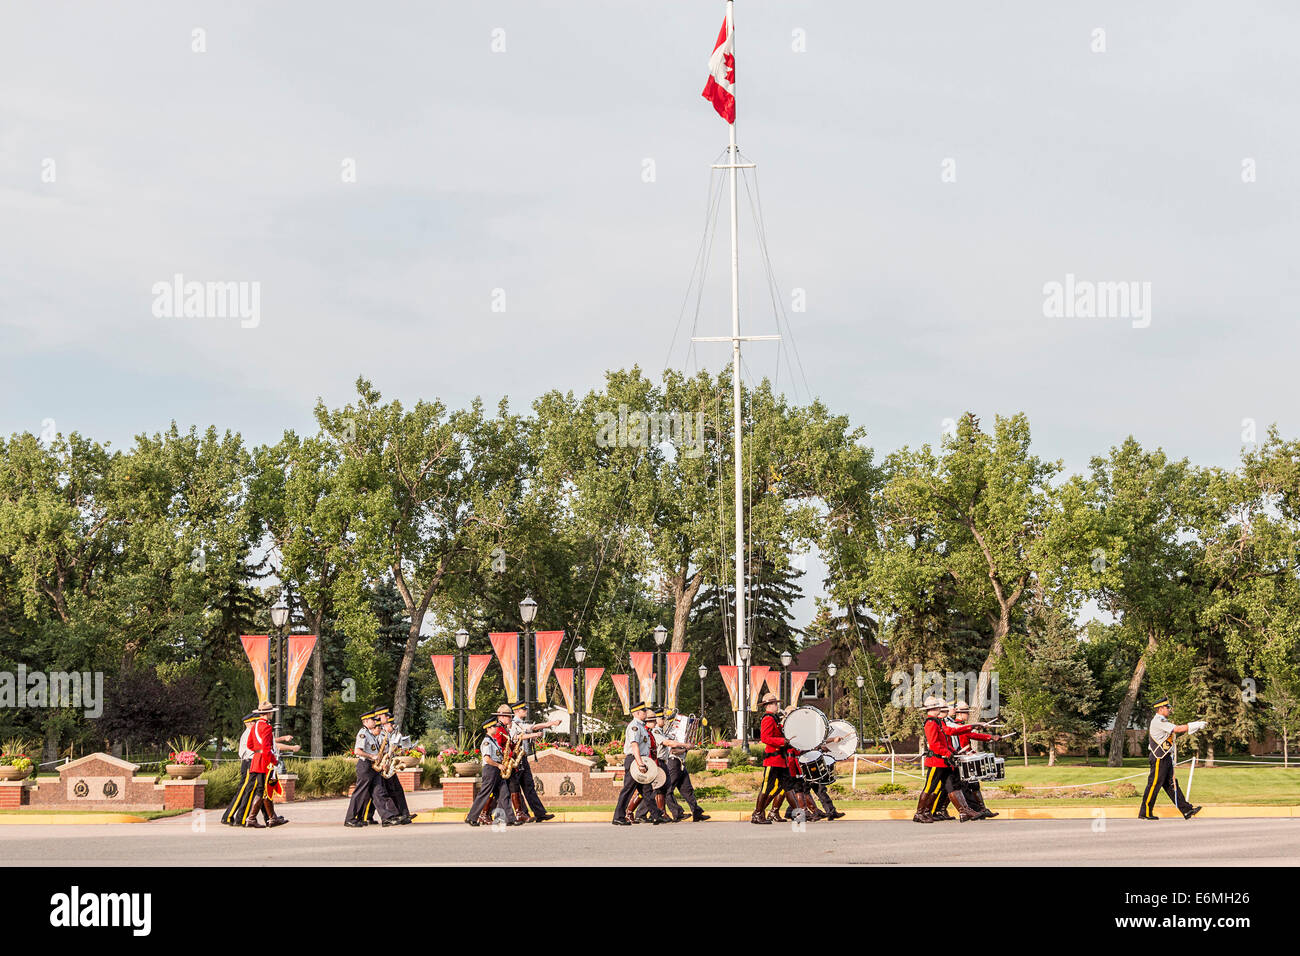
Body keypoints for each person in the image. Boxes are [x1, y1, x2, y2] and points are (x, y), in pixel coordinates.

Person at [915, 697, 984, 823]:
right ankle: (919, 813)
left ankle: (964, 811)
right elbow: (935, 744)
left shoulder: (938, 722)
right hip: (936, 761)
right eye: (938, 708)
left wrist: (970, 727)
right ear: (933, 709)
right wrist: (948, 753)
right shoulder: (930, 723)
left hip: (943, 762)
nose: (940, 710)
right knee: (929, 788)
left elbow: (951, 731)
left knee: (952, 785)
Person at [932, 701, 1002, 821]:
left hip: (955, 756)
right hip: (947, 758)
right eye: (964, 712)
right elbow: (961, 733)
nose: (966, 715)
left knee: (954, 786)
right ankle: (930, 812)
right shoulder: (944, 723)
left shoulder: (948, 722)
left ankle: (972, 810)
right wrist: (979, 729)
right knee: (945, 787)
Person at [1139, 696, 1204, 821]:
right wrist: (1195, 724)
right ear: (1161, 709)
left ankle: (1186, 810)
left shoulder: (1163, 720)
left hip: (1165, 757)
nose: (1169, 710)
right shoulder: (1158, 721)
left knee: (1172, 785)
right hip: (1159, 758)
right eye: (1167, 708)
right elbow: (1177, 729)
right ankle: (1145, 812)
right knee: (1154, 785)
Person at [465, 708, 521, 827]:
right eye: (494, 727)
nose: (496, 728)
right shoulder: (487, 742)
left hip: (497, 770)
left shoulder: (494, 740)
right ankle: (471, 817)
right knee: (484, 794)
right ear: (489, 728)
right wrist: (499, 765)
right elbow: (487, 759)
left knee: (504, 793)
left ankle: (510, 818)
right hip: (490, 770)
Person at [344, 709, 399, 828]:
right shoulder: (362, 733)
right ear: (365, 722)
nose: (375, 722)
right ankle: (350, 818)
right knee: (360, 793)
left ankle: (387, 817)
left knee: (379, 791)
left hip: (373, 766)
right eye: (373, 720)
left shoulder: (370, 733)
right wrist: (371, 756)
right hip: (365, 765)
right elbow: (357, 751)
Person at [507, 701, 560, 823]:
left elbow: (533, 727)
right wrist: (535, 733)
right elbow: (515, 737)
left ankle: (540, 813)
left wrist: (549, 724)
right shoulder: (513, 723)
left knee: (529, 785)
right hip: (516, 758)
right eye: (523, 709)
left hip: (523, 757)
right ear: (516, 711)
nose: (525, 711)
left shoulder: (521, 723)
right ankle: (523, 813)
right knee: (516, 788)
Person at [613, 702, 663, 826]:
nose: (646, 713)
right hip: (635, 761)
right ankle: (618, 817)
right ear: (637, 713)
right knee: (628, 789)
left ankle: (656, 815)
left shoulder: (641, 726)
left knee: (646, 790)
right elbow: (634, 745)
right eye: (644, 711)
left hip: (642, 760)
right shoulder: (634, 726)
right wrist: (640, 764)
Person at [656, 710, 709, 822]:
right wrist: (686, 747)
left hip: (680, 763)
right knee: (669, 789)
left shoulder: (671, 733)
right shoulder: (666, 734)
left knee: (687, 789)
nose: (665, 721)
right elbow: (673, 750)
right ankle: (677, 813)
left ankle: (696, 812)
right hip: (673, 762)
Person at [753, 693, 792, 824]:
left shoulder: (774, 718)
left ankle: (765, 812)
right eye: (775, 704)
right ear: (769, 705)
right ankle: (758, 814)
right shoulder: (768, 719)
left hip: (779, 760)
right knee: (766, 787)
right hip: (772, 759)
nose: (777, 706)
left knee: (781, 786)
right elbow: (765, 738)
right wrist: (782, 741)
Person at [238, 701, 279, 829]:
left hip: (256, 759)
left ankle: (272, 818)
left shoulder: (255, 726)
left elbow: (250, 745)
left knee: (264, 789)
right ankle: (252, 818)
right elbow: (267, 749)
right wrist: (273, 761)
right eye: (271, 712)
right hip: (264, 761)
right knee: (263, 790)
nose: (272, 714)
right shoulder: (266, 727)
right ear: (268, 713)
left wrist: (258, 751)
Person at [376, 709, 416, 825]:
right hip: (382, 764)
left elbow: (394, 745)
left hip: (389, 763)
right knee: (384, 792)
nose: (388, 720)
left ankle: (404, 814)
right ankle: (394, 815)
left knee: (397, 789)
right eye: (385, 717)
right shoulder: (378, 730)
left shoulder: (391, 730)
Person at [221, 711, 259, 826]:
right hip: (249, 762)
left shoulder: (249, 732)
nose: (256, 723)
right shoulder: (249, 733)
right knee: (243, 790)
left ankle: (232, 816)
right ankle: (229, 816)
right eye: (254, 722)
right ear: (249, 723)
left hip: (249, 762)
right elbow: (251, 750)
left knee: (246, 791)